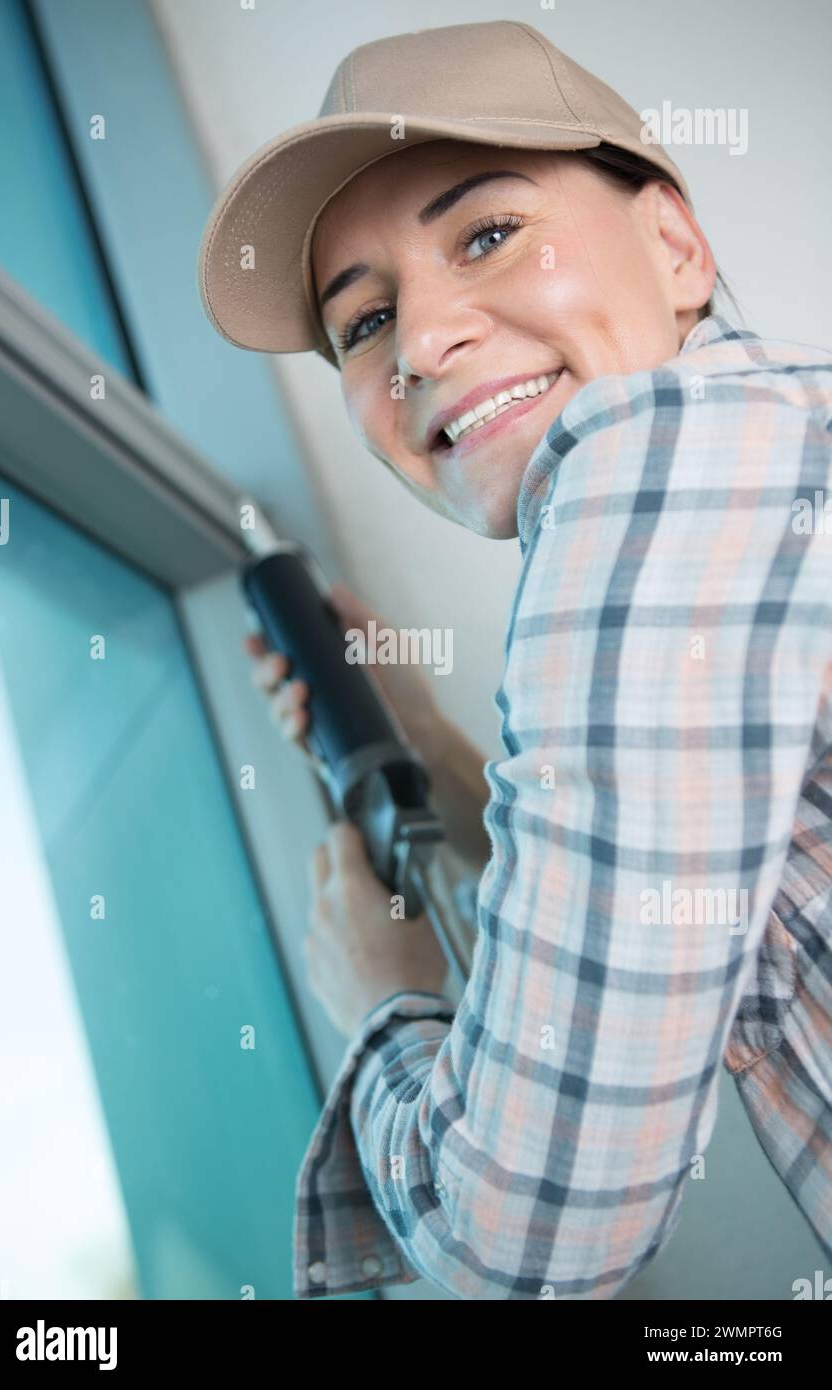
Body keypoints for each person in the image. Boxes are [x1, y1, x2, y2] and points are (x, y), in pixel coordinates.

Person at [199, 20, 832, 1299]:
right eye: (364, 321)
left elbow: (524, 1245)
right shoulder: (762, 451)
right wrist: (434, 751)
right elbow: (680, 919)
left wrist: (388, 1000)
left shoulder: (652, 466)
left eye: (486, 235)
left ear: (671, 245)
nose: (420, 343)